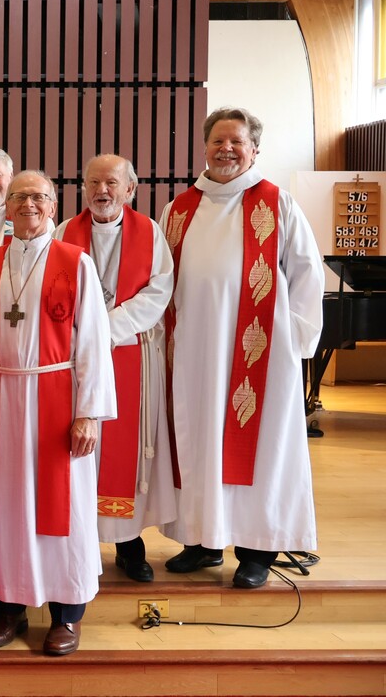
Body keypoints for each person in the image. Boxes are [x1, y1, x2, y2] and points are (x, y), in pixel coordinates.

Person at [158, 107, 323, 589]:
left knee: (263, 450)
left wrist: (293, 342)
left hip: (260, 353)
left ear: (255, 149)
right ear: (204, 147)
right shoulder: (179, 208)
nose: (226, 149)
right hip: (192, 351)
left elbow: (307, 274)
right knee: (198, 441)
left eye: (237, 141)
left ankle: (256, 549)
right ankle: (202, 542)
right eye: (217, 141)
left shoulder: (277, 204)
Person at [0, 171, 115, 656]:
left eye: (39, 197)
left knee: (60, 508)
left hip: (56, 399)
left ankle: (67, 613)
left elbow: (92, 342)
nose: (28, 204)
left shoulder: (76, 262)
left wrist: (89, 412)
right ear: (5, 205)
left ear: (53, 205)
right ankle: (8, 605)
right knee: (4, 508)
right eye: (19, 196)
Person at [54, 154, 175, 582]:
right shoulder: (66, 232)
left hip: (130, 355)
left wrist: (104, 329)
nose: (101, 191)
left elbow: (159, 290)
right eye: (93, 183)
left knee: (124, 453)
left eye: (111, 183)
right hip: (76, 362)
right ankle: (78, 540)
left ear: (130, 189)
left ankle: (129, 545)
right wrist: (84, 335)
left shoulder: (150, 233)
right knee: (82, 448)